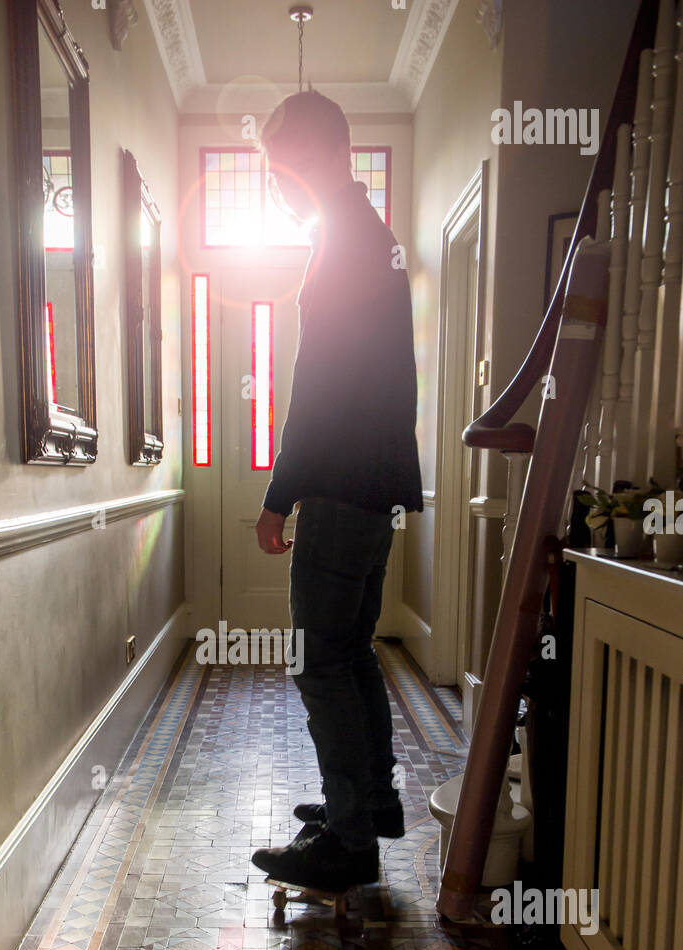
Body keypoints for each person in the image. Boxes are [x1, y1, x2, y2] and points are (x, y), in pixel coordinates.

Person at [250, 90, 423, 894]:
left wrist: (279, 495)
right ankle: (367, 805)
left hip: (338, 489)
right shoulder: (367, 236)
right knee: (349, 654)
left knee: (320, 665)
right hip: (374, 486)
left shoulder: (344, 244)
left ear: (313, 154)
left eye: (278, 165)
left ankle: (350, 841)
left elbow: (316, 389)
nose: (275, 181)